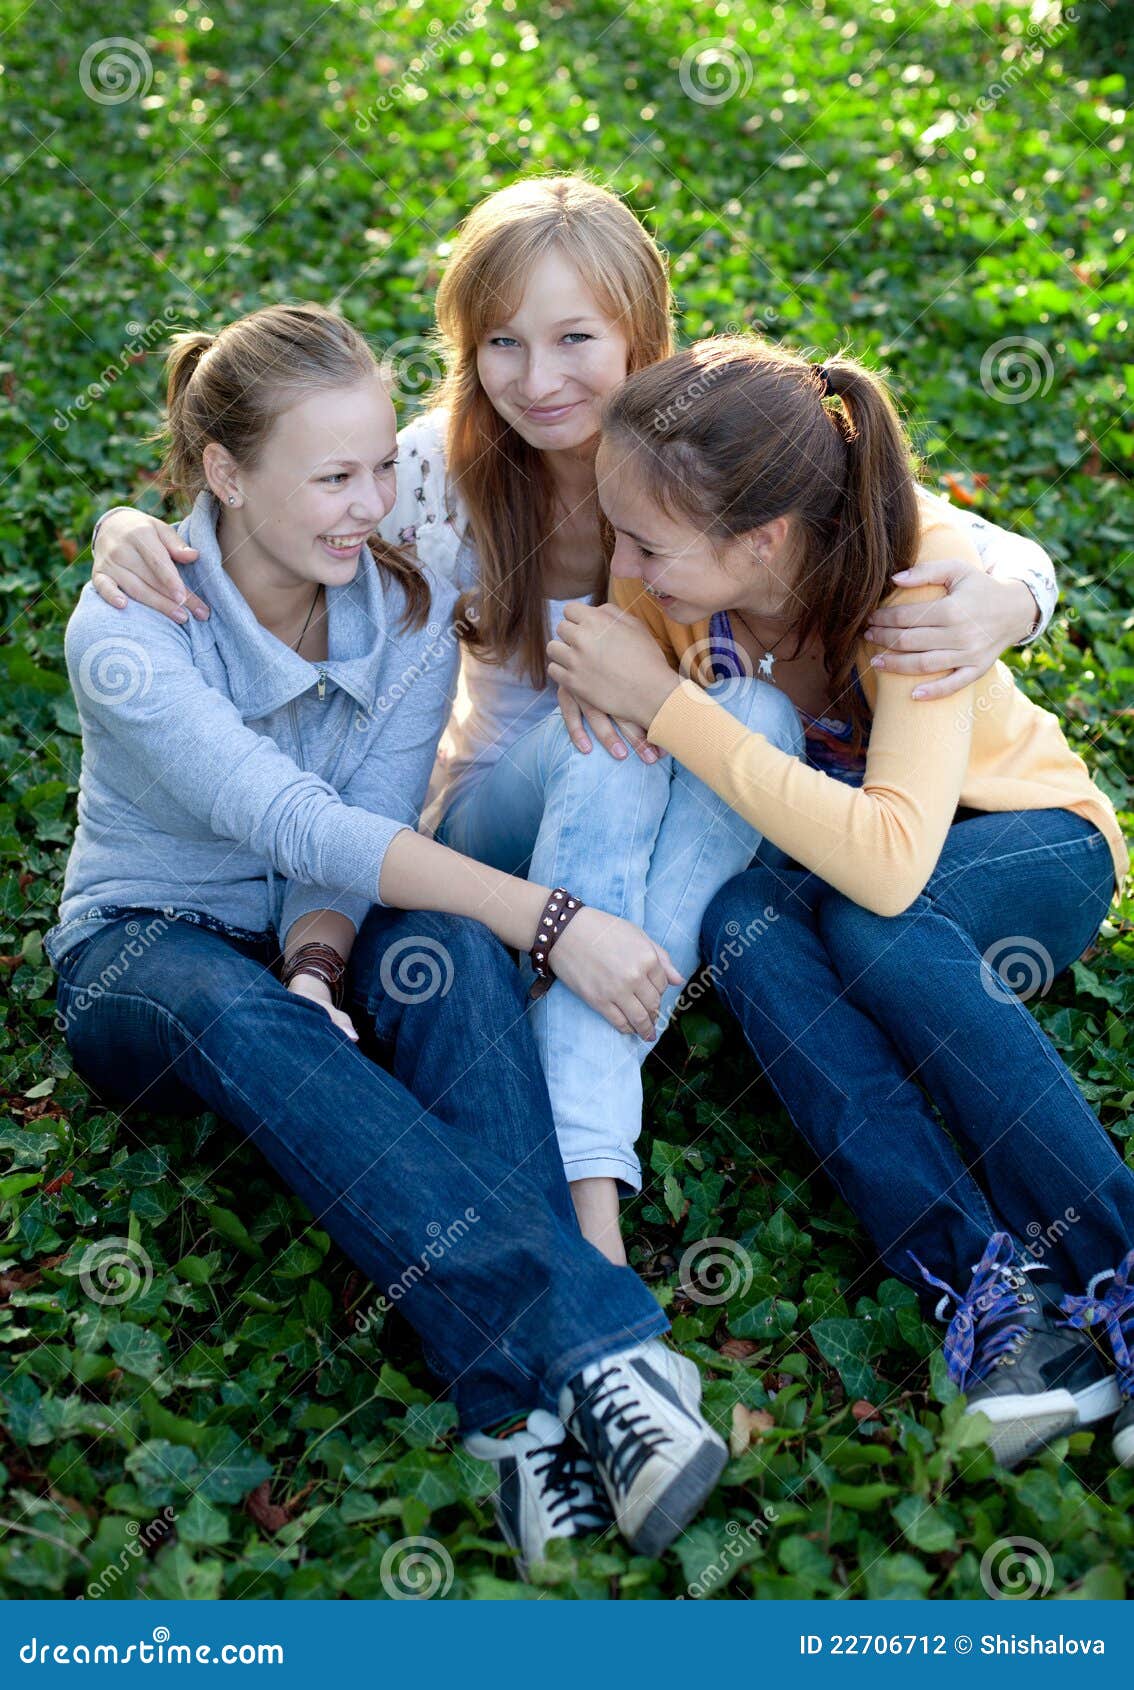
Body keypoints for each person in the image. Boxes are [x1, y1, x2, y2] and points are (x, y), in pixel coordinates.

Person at [84, 177, 1061, 1265]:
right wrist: (127, 524)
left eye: (574, 338)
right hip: (489, 815)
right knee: (619, 746)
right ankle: (592, 1180)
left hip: (668, 789)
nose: (536, 380)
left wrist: (1012, 594)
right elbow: (267, 497)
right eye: (501, 342)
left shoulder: (697, 450)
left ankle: (613, 1003)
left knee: (727, 717)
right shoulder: (429, 470)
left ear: (643, 334)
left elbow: (912, 521)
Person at [47, 302, 725, 1575]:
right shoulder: (128, 631)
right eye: (335, 478)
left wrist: (317, 961)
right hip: (147, 954)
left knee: (450, 954)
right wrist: (552, 917)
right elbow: (283, 812)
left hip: (313, 920)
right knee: (232, 1005)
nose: (374, 505)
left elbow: (352, 835)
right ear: (227, 474)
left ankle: (518, 1422)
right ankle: (606, 1343)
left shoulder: (408, 610)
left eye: (379, 469)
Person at [546, 335, 1133, 1470]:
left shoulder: (911, 586)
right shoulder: (662, 578)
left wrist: (668, 704)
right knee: (740, 926)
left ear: (761, 537)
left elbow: (890, 865)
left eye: (645, 540)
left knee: (873, 921)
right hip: (850, 864)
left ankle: (1118, 1259)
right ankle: (989, 1300)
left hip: (1027, 843)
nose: (620, 559)